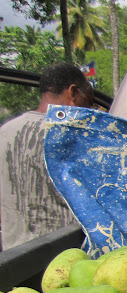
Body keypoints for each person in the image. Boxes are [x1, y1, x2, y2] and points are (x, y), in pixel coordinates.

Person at [0, 63, 95, 250]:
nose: (90, 111)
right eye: (89, 102)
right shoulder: (75, 136)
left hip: (15, 260)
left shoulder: (4, 132)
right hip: (66, 259)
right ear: (73, 93)